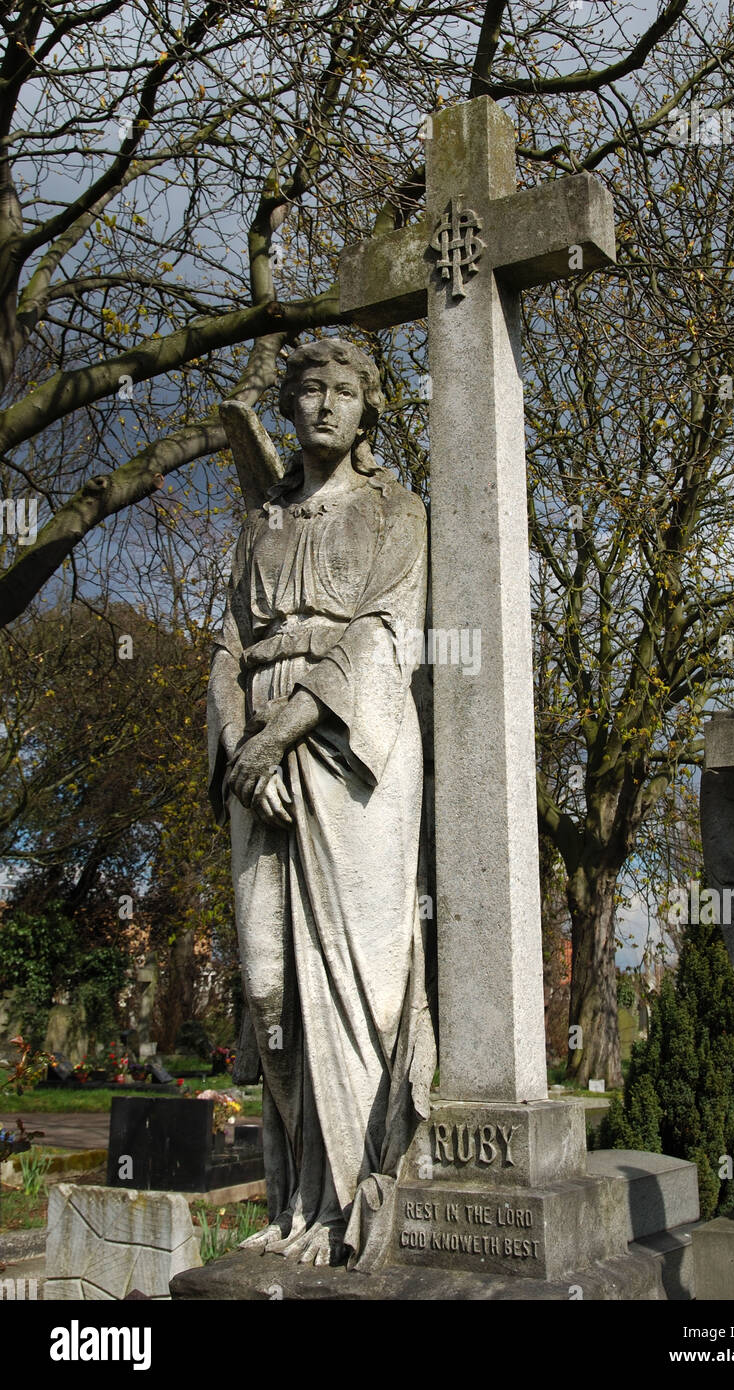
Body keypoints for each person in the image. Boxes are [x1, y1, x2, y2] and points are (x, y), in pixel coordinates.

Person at [207, 339, 435, 1266]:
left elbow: (387, 634)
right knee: (268, 983)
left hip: (349, 749)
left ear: (368, 410)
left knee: (357, 979)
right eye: (310, 392)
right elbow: (225, 647)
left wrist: (282, 732)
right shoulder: (260, 523)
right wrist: (238, 745)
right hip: (255, 757)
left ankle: (349, 1204)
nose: (327, 407)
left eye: (345, 392)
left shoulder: (397, 512)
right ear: (290, 407)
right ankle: (296, 1191)